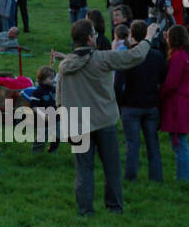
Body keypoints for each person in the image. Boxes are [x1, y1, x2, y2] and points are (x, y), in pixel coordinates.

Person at [56, 18, 160, 216]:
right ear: (89, 39)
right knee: (111, 168)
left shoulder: (65, 67)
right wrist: (148, 37)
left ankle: (85, 211)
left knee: (83, 170)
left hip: (79, 124)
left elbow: (59, 98)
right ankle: (114, 208)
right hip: (104, 121)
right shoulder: (102, 58)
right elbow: (135, 56)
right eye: (94, 34)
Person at [114, 20, 163, 182]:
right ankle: (156, 177)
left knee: (132, 144)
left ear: (131, 35)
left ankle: (130, 177)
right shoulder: (157, 56)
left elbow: (118, 84)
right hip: (151, 104)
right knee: (153, 144)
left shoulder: (127, 56)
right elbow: (163, 79)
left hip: (130, 105)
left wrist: (120, 104)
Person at [161, 24, 189, 181]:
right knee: (181, 143)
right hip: (185, 102)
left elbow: (171, 83)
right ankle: (184, 176)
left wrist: (160, 93)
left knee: (180, 144)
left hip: (177, 104)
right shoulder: (186, 55)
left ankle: (184, 178)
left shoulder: (177, 57)